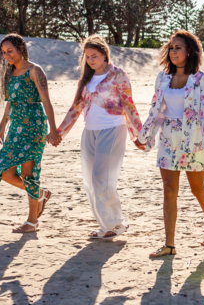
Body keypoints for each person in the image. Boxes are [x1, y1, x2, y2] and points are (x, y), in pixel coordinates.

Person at [55, 35, 145, 239]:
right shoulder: (86, 78)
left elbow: (129, 106)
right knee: (89, 181)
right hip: (90, 131)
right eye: (87, 57)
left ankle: (117, 223)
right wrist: (60, 132)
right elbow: (76, 107)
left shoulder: (118, 75)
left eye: (94, 56)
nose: (90, 60)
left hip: (112, 129)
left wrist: (139, 134)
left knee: (102, 179)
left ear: (105, 55)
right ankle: (105, 225)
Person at [139, 31, 204, 258]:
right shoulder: (163, 78)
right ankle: (169, 245)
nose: (173, 52)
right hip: (168, 139)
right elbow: (155, 111)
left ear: (190, 52)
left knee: (197, 189)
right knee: (169, 191)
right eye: (171, 47)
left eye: (178, 48)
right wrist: (145, 136)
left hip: (194, 138)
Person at [0, 34, 59, 233]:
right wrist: (2, 126)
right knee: (5, 172)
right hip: (15, 127)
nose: (7, 55)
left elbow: (46, 101)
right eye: (3, 53)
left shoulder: (35, 71)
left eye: (10, 51)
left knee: (28, 173)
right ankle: (41, 194)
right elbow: (10, 102)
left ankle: (31, 221)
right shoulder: (10, 74)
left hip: (34, 126)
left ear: (21, 49)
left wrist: (53, 129)